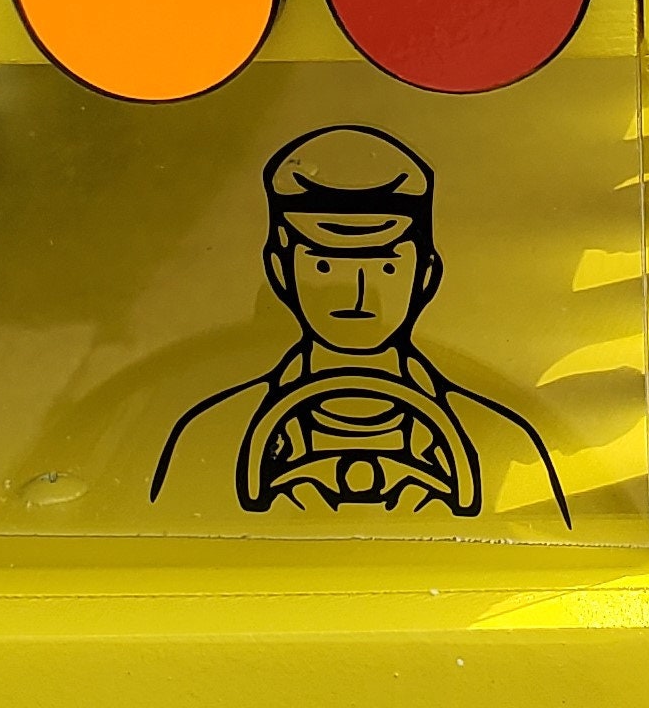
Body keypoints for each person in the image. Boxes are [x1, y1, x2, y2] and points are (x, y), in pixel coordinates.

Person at [151, 126, 568, 524]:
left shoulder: (501, 434)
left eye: (386, 265)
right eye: (325, 264)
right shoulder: (207, 432)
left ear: (425, 275)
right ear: (280, 270)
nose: (358, 294)